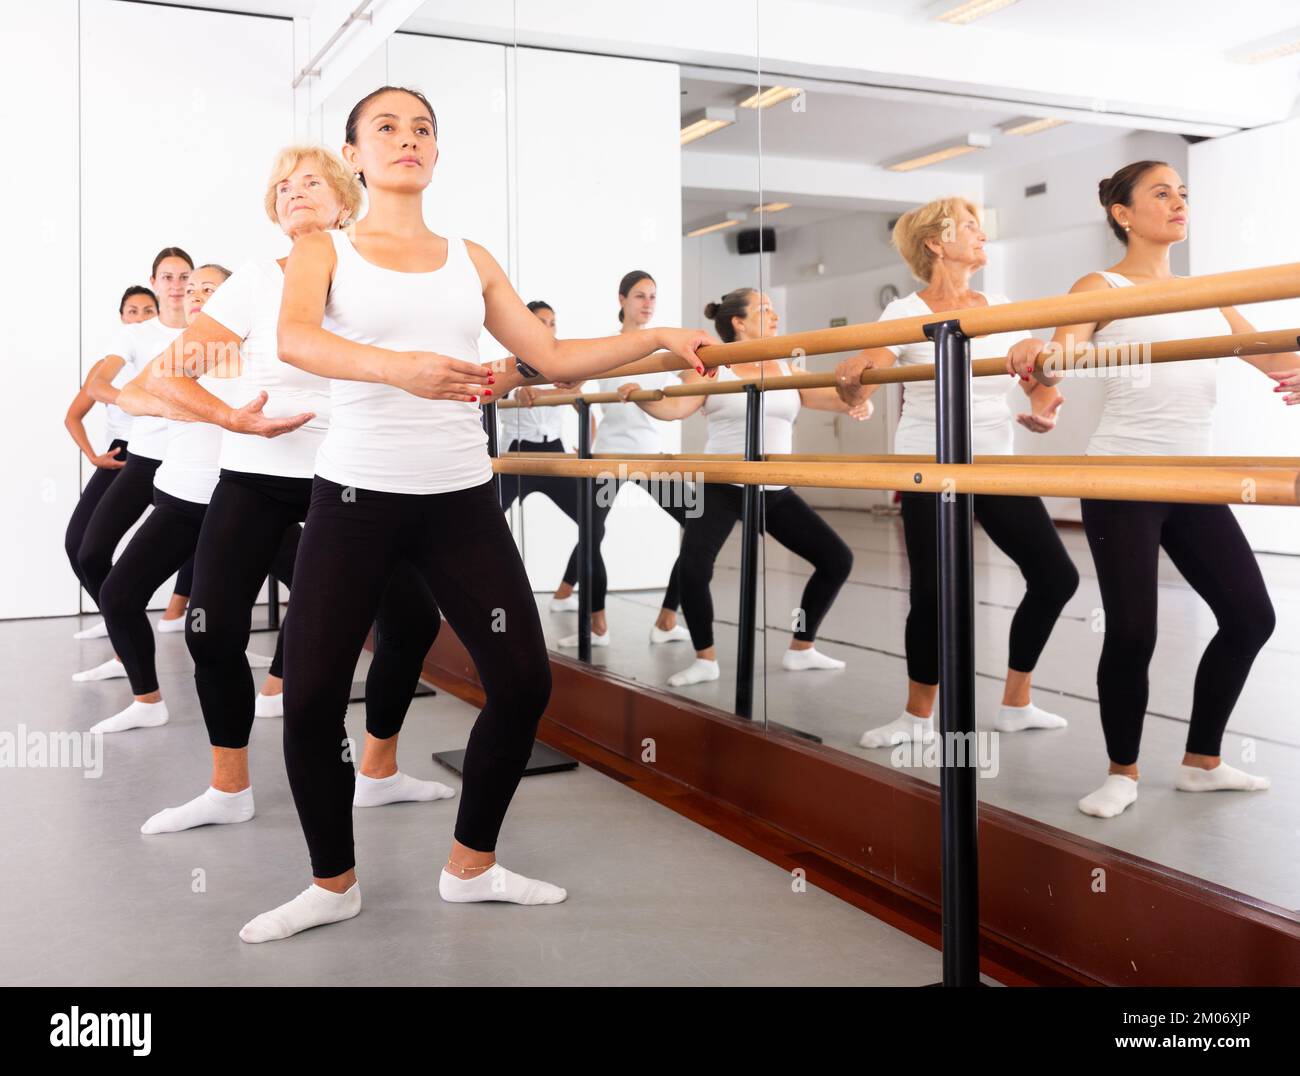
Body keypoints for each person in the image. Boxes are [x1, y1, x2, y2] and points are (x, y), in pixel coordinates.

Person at [237, 85, 709, 943]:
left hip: (457, 499)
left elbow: (554, 355)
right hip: (353, 500)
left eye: (422, 128)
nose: (406, 139)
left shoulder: (470, 258)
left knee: (524, 682)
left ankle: (472, 866)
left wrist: (658, 338)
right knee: (308, 699)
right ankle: (332, 883)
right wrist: (398, 369)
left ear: (437, 153)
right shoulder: (326, 250)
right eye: (386, 128)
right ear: (355, 154)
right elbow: (297, 340)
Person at [136, 144, 454, 834]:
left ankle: (378, 770)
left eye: (311, 182)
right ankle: (228, 788)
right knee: (211, 631)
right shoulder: (255, 280)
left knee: (412, 621)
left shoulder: (382, 278)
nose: (294, 193)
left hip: (356, 479)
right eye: (283, 187)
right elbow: (166, 375)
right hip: (255, 477)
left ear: (346, 199)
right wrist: (231, 419)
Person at [1005, 161, 1300, 818]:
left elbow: (1276, 357)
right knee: (1134, 631)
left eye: (1183, 192)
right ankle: (1122, 771)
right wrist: (1035, 355)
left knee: (1252, 617)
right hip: (1122, 477)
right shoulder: (1101, 284)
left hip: (1192, 480)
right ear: (1123, 214)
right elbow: (1063, 348)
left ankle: (1202, 761)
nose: (1178, 202)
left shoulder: (1206, 295)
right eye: (1160, 192)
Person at [834, 197, 1079, 748]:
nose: (981, 237)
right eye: (970, 228)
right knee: (934, 593)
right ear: (935, 243)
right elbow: (866, 380)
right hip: (930, 461)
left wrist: (1044, 406)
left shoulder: (1000, 304)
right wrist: (851, 377)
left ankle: (1016, 703)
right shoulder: (901, 314)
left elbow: (1035, 381)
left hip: (994, 460)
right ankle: (918, 719)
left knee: (1056, 577)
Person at [634, 289, 865, 687]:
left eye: (774, 309)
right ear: (738, 323)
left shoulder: (786, 369)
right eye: (764, 310)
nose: (775, 317)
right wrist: (639, 398)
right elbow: (674, 408)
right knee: (693, 567)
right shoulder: (714, 366)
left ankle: (802, 646)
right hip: (722, 486)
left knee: (836, 560)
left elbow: (835, 398)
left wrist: (857, 397)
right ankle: (705, 658)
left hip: (773, 490)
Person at [71, 248, 194, 678]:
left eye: (184, 277)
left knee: (245, 553)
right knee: (89, 553)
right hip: (144, 460)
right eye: (167, 277)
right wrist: (136, 400)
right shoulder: (137, 335)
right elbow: (98, 383)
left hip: (195, 466)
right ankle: (126, 648)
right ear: (155, 282)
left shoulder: (210, 330)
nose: (177, 286)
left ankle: (184, 619)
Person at [557, 270, 695, 649]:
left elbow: (697, 378)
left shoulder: (664, 351)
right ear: (621, 300)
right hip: (608, 457)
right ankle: (597, 623)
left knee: (699, 528)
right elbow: (573, 384)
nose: (648, 303)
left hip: (650, 457)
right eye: (639, 296)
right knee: (590, 535)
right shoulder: (608, 347)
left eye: (653, 296)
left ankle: (668, 618)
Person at [63, 285, 160, 634]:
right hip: (121, 455)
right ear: (122, 317)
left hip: (162, 453)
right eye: (132, 311)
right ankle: (116, 619)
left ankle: (163, 615)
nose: (139, 317)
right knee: (78, 544)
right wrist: (93, 456)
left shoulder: (167, 353)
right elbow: (72, 416)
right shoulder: (105, 367)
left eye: (148, 311)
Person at [497, 301, 591, 609]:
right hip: (515, 457)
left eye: (552, 323)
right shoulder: (508, 364)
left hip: (554, 454)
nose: (548, 329)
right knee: (479, 527)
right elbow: (497, 392)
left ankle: (565, 590)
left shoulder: (561, 370)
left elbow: (583, 404)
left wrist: (586, 444)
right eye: (541, 322)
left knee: (592, 522)